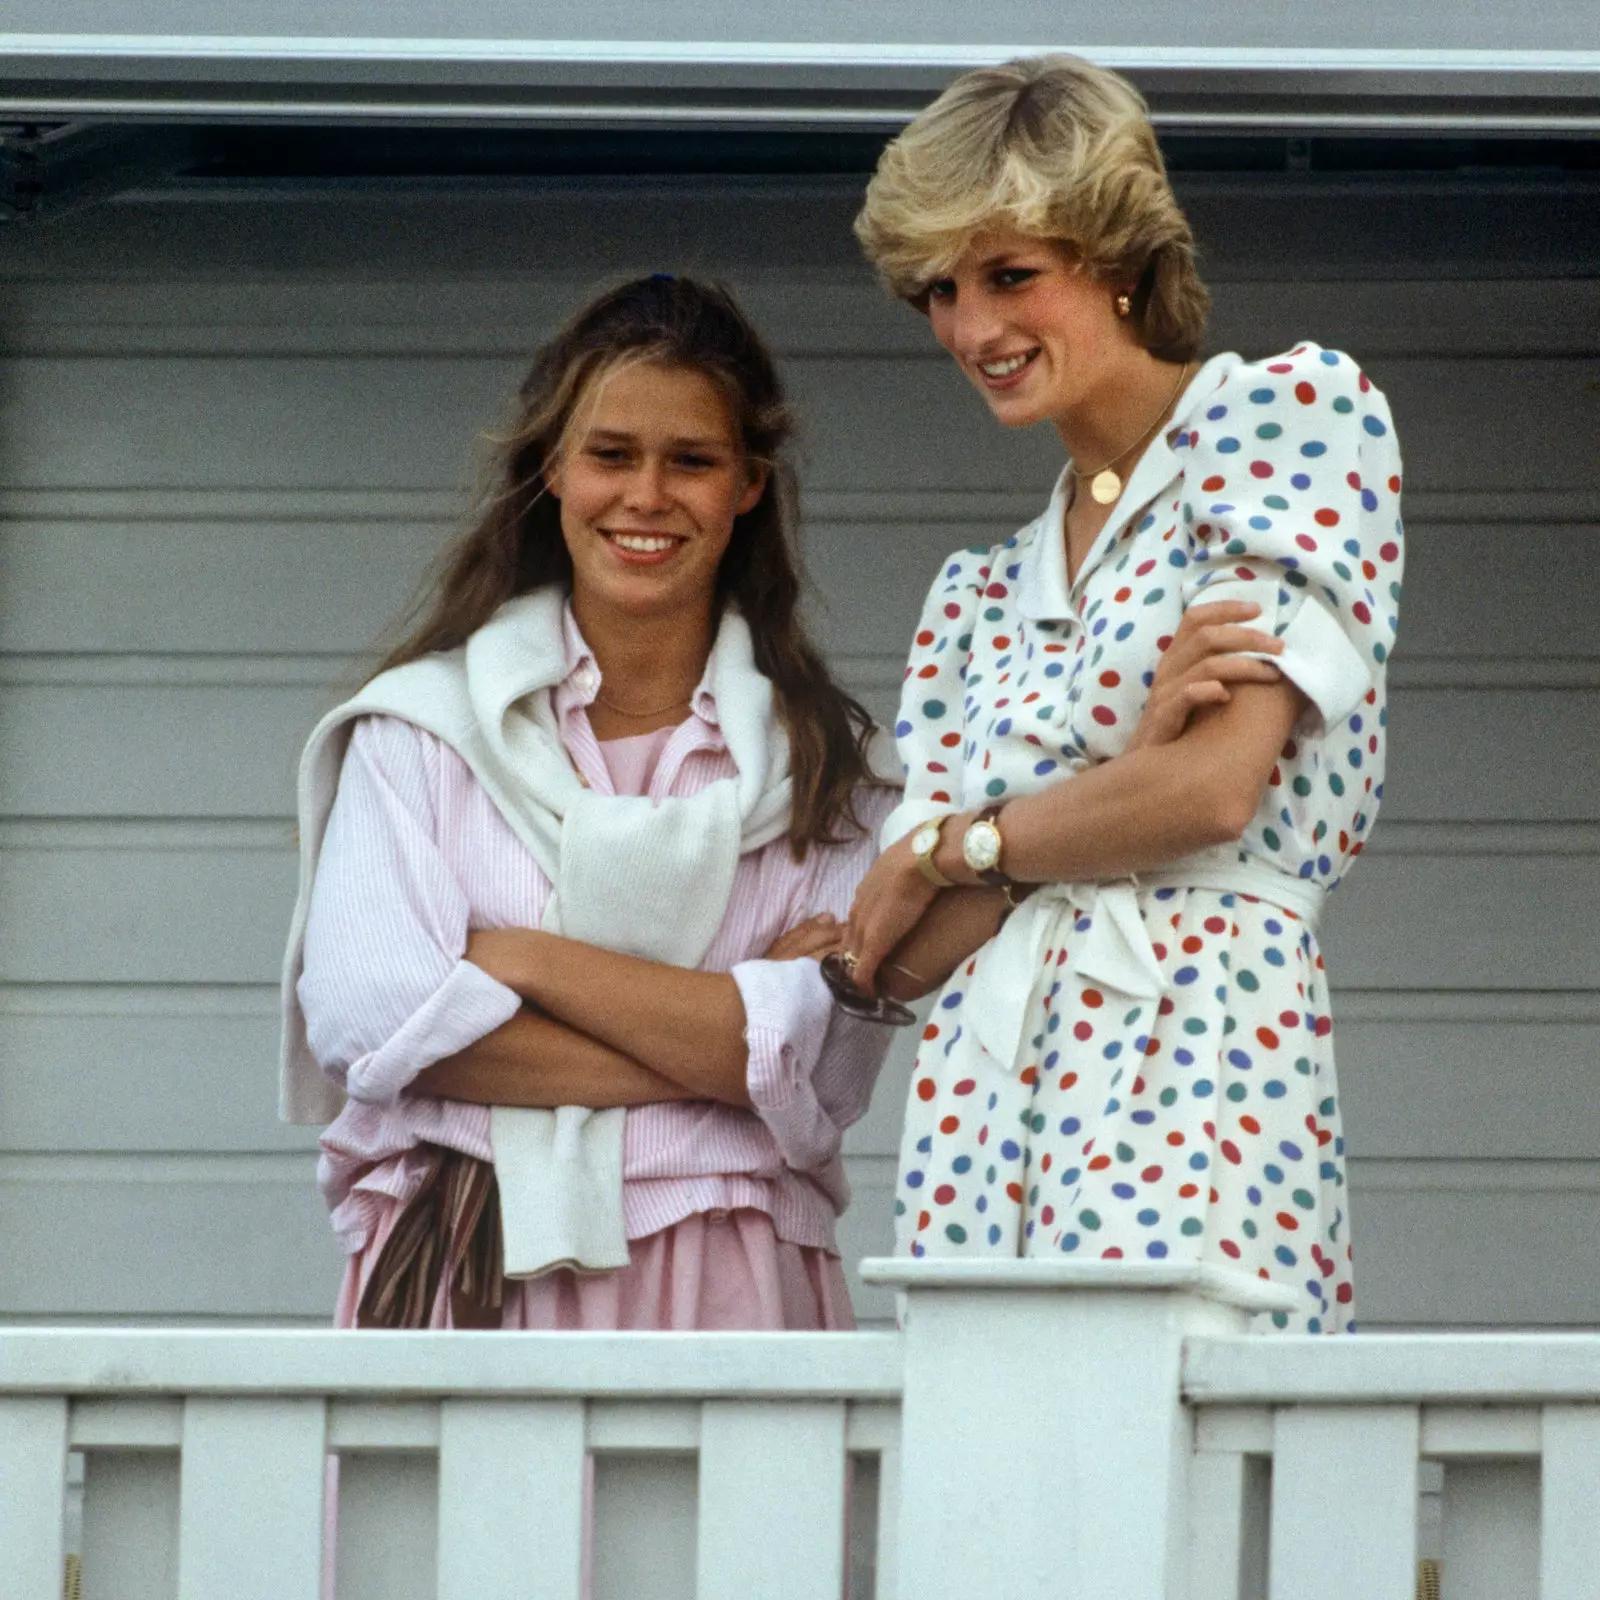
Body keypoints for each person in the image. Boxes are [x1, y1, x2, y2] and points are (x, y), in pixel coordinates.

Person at [844, 55, 1403, 1332]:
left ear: (1116, 259)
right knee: (983, 1482)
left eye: (1008, 275)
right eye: (937, 289)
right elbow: (902, 949)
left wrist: (963, 841)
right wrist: (1105, 794)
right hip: (982, 1096)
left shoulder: (1285, 423)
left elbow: (1209, 793)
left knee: (1173, 1465)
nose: (970, 329)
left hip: (1196, 1048)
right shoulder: (977, 592)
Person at [280, 275, 899, 1332]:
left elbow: (824, 1070)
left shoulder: (830, 774)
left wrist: (518, 962)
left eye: (691, 460)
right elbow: (367, 1022)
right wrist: (726, 1041)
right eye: (611, 454)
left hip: (730, 1267)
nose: (646, 496)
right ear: (553, 468)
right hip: (463, 1254)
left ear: (747, 484)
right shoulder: (420, 734)